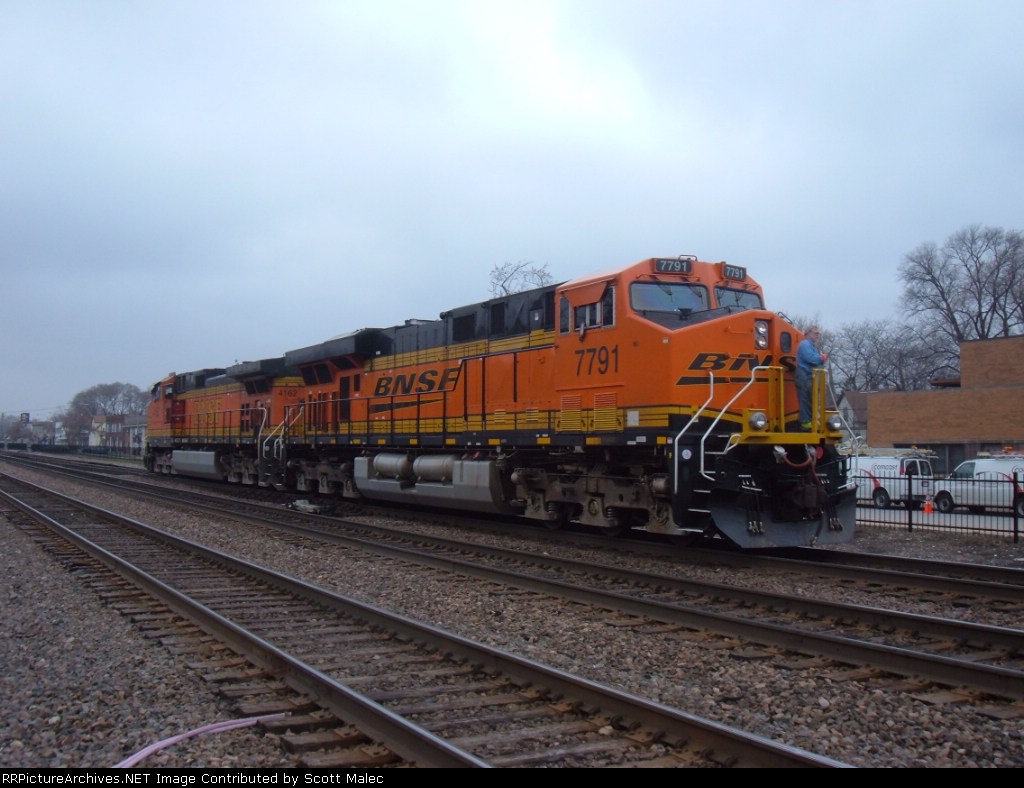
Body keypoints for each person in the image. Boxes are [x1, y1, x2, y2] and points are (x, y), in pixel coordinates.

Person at [796, 326, 827, 430]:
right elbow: (812, 359)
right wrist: (822, 358)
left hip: (810, 376)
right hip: (805, 376)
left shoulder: (812, 346)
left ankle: (811, 421)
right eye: (815, 333)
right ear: (808, 333)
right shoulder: (805, 344)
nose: (817, 335)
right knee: (806, 400)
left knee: (810, 399)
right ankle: (806, 422)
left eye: (818, 333)